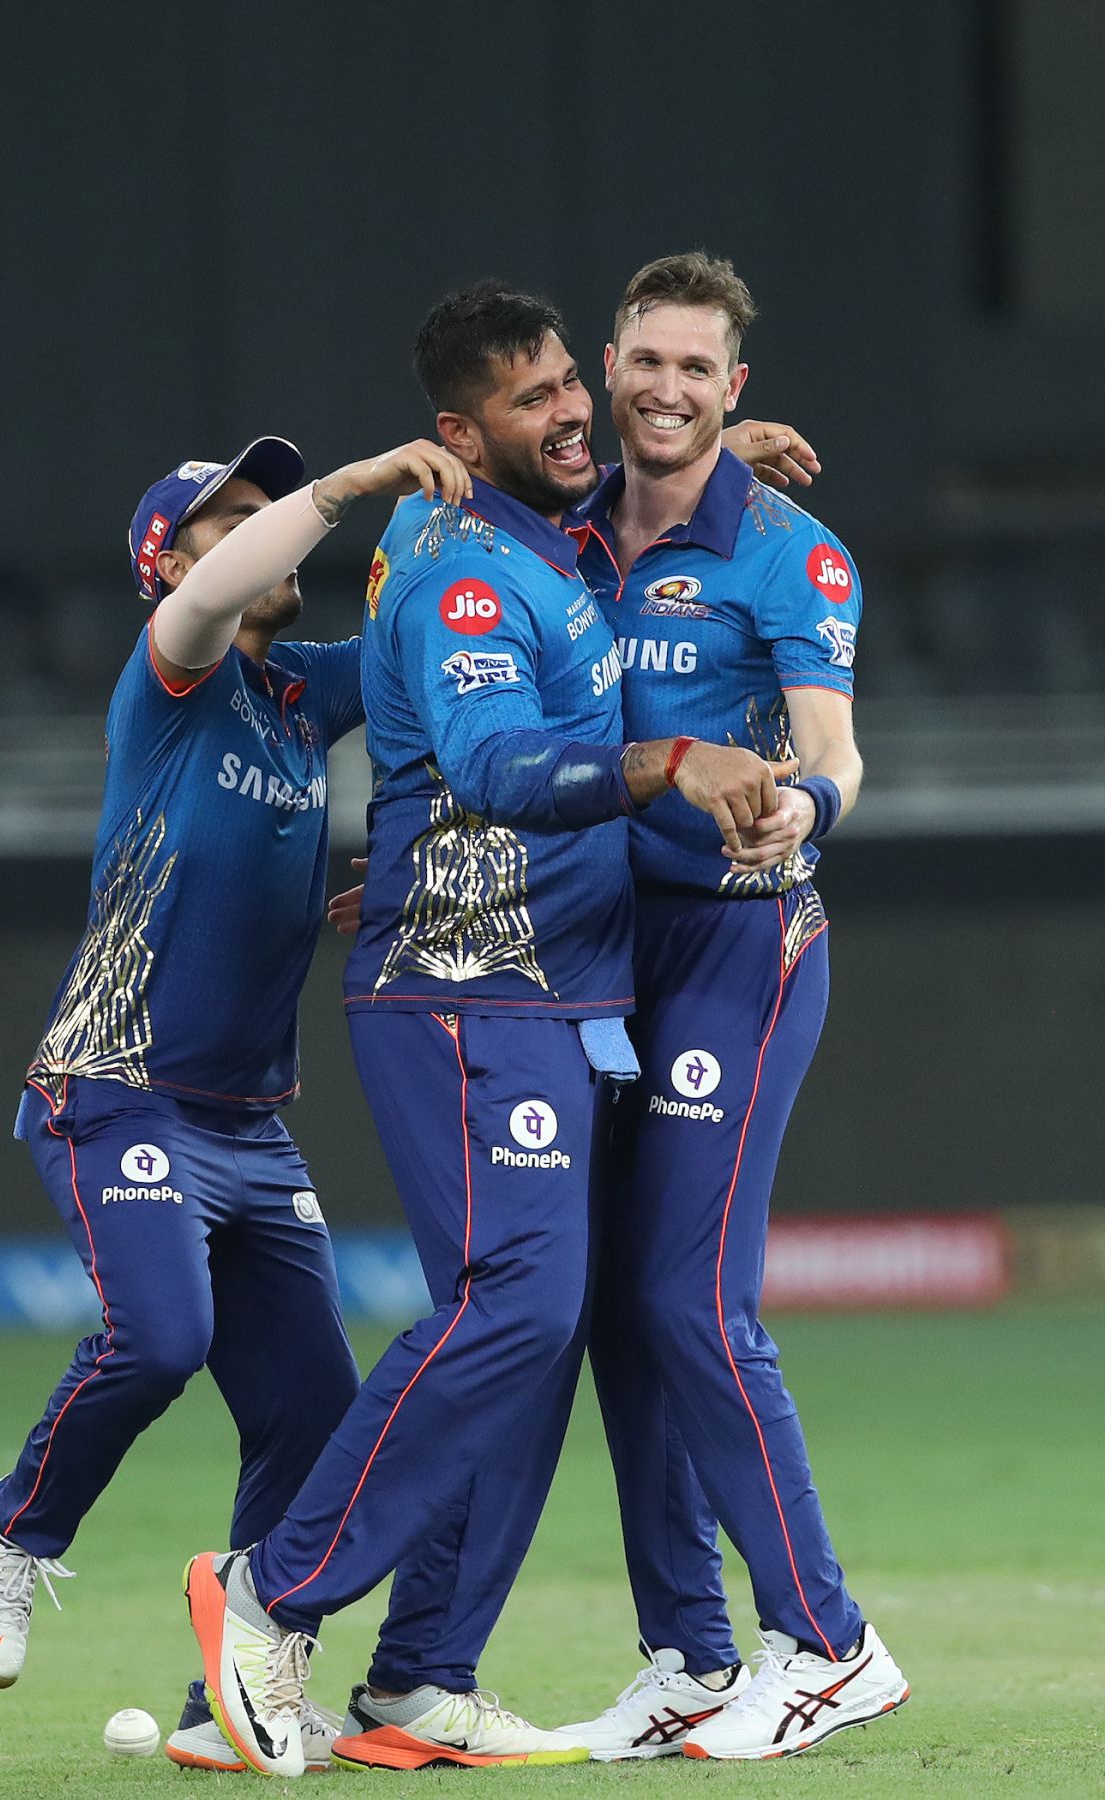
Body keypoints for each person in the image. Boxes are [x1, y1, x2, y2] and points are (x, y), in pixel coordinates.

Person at [183, 282, 798, 1777]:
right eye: (535, 402)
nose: (573, 412)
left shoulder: (552, 540)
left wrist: (713, 455)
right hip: (467, 992)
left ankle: (423, 1674)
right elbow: (497, 761)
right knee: (516, 1302)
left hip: (556, 992)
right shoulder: (462, 567)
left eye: (565, 387)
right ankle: (267, 1599)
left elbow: (630, 510)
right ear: (459, 437)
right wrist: (669, 759)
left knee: (539, 1327)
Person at [0, 432, 472, 1774]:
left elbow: (420, 635)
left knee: (310, 1416)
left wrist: (632, 499)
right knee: (161, 1338)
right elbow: (214, 592)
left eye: (269, 506)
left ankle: (226, 1704)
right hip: (114, 1087)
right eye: (231, 518)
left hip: (245, 1121)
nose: (266, 530)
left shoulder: (302, 694)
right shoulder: (169, 673)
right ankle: (8, 1529)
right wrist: (345, 489)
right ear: (168, 562)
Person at [551, 252, 909, 1762]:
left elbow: (837, 753)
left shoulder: (793, 553)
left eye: (701, 371)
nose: (670, 389)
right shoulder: (554, 533)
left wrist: (802, 815)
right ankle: (692, 1656)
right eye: (648, 362)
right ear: (608, 366)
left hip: (737, 950)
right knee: (620, 1322)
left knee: (691, 1299)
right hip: (594, 956)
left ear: (736, 388)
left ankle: (829, 1644)